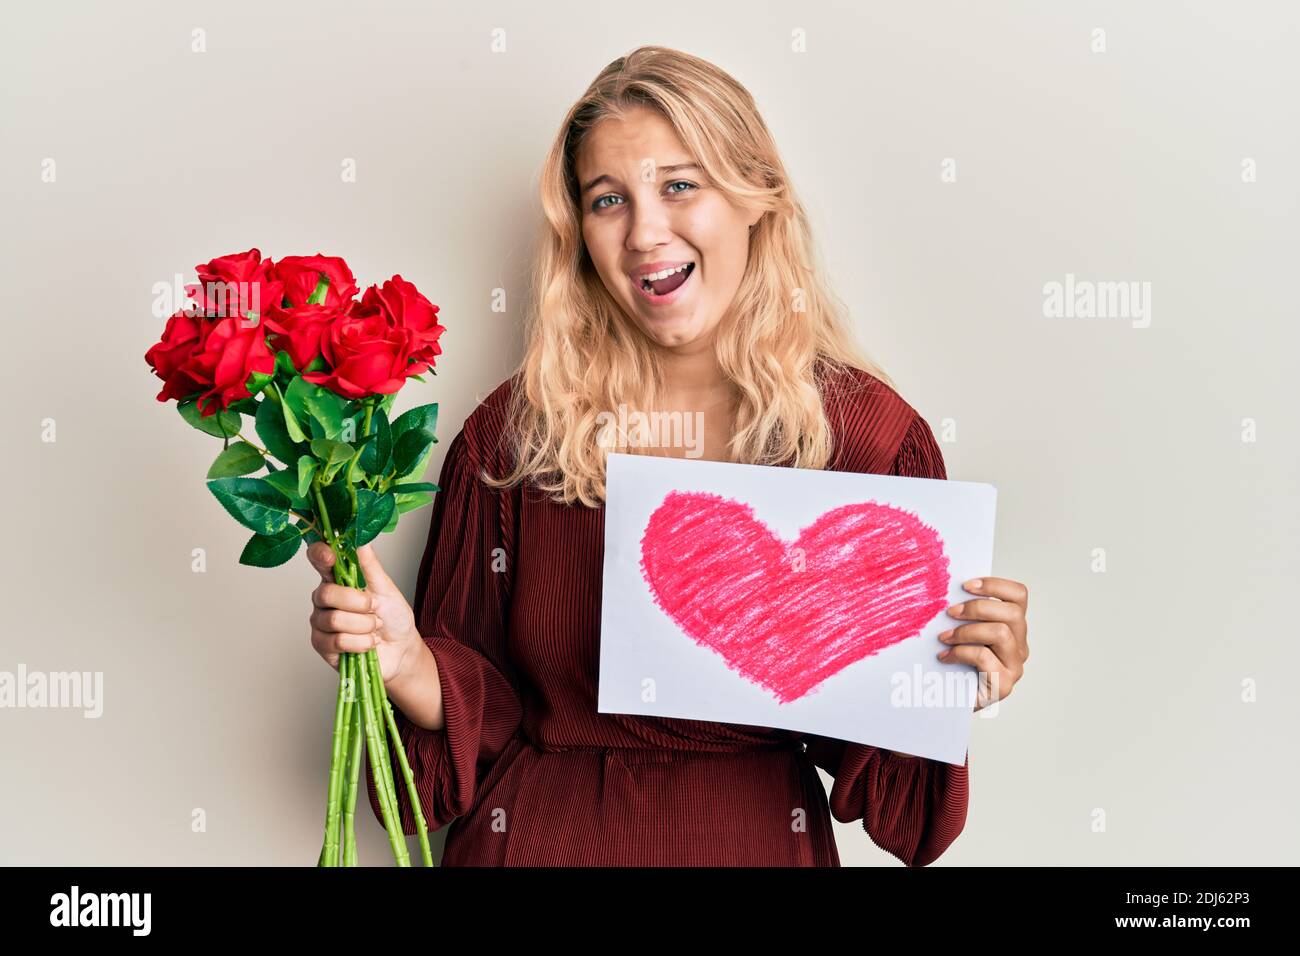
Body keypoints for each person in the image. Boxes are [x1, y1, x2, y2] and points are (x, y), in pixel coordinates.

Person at [305, 45, 1030, 866]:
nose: (646, 232)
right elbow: (460, 747)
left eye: (680, 185)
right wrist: (404, 662)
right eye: (608, 199)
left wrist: (963, 682)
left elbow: (905, 808)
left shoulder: (866, 438)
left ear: (758, 196)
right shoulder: (512, 438)